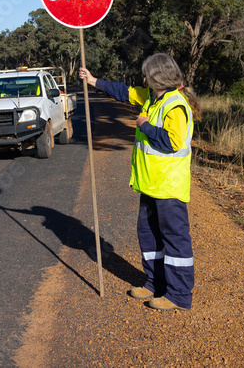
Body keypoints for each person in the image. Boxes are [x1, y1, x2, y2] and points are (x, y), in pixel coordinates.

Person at [79, 53, 201, 312]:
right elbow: (124, 92)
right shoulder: (153, 96)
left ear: (158, 76)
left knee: (175, 239)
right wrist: (93, 81)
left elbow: (172, 142)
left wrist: (144, 125)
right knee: (148, 235)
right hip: (150, 185)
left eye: (147, 73)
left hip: (168, 187)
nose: (143, 78)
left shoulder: (175, 105)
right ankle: (155, 282)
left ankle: (179, 294)